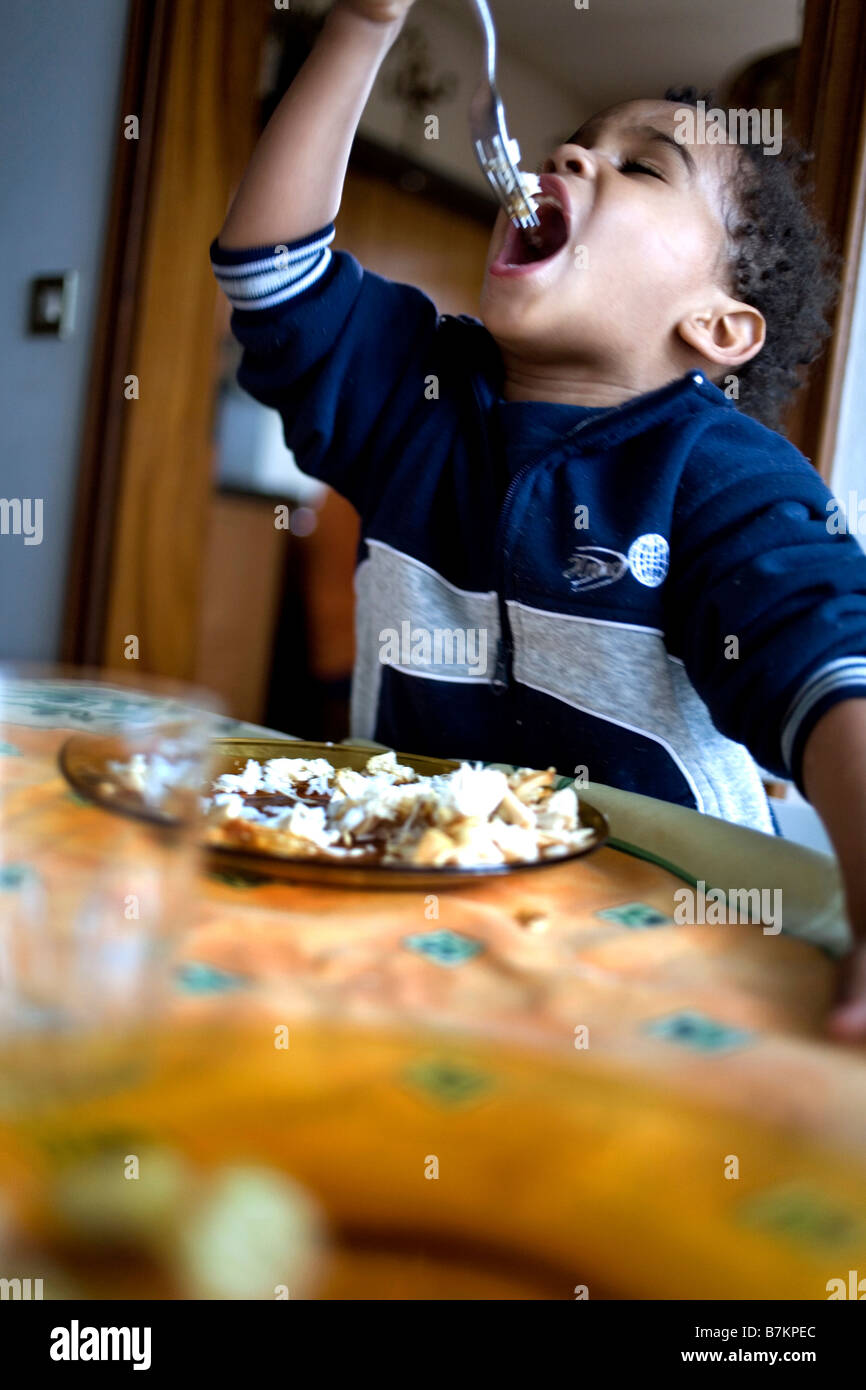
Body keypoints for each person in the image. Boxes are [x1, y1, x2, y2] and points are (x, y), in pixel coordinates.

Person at [211, 0, 866, 1041]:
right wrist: (363, 26)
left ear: (715, 325)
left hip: (661, 965)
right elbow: (271, 274)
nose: (569, 154)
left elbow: (835, 672)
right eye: (576, 141)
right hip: (415, 935)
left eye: (641, 166)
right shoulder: (411, 396)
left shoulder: (723, 474)